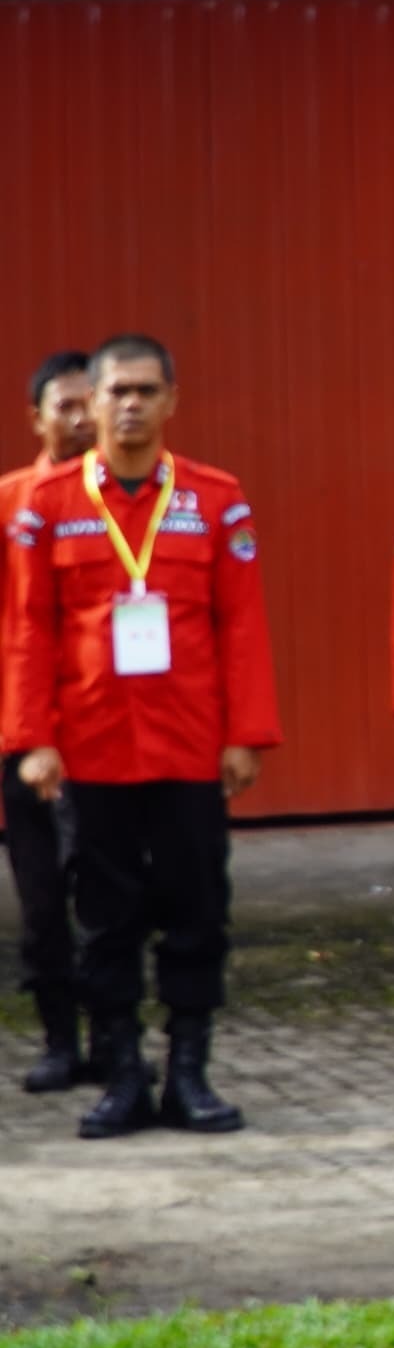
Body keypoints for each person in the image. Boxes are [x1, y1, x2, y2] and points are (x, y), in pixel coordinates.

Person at [4, 335, 276, 1138]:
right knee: (106, 919)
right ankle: (123, 1072)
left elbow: (242, 623)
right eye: (115, 390)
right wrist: (32, 739)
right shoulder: (47, 506)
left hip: (190, 748)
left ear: (171, 402)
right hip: (91, 750)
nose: (129, 405)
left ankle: (189, 1072)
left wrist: (246, 732)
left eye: (145, 390)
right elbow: (28, 631)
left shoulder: (216, 499)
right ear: (89, 402)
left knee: (197, 912)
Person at [4, 349, 94, 1094]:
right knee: (41, 901)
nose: (81, 417)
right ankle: (61, 1040)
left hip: (104, 732)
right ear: (36, 418)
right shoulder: (11, 505)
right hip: (28, 738)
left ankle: (115, 1035)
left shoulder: (130, 503)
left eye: (86, 402)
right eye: (63, 405)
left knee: (107, 890)